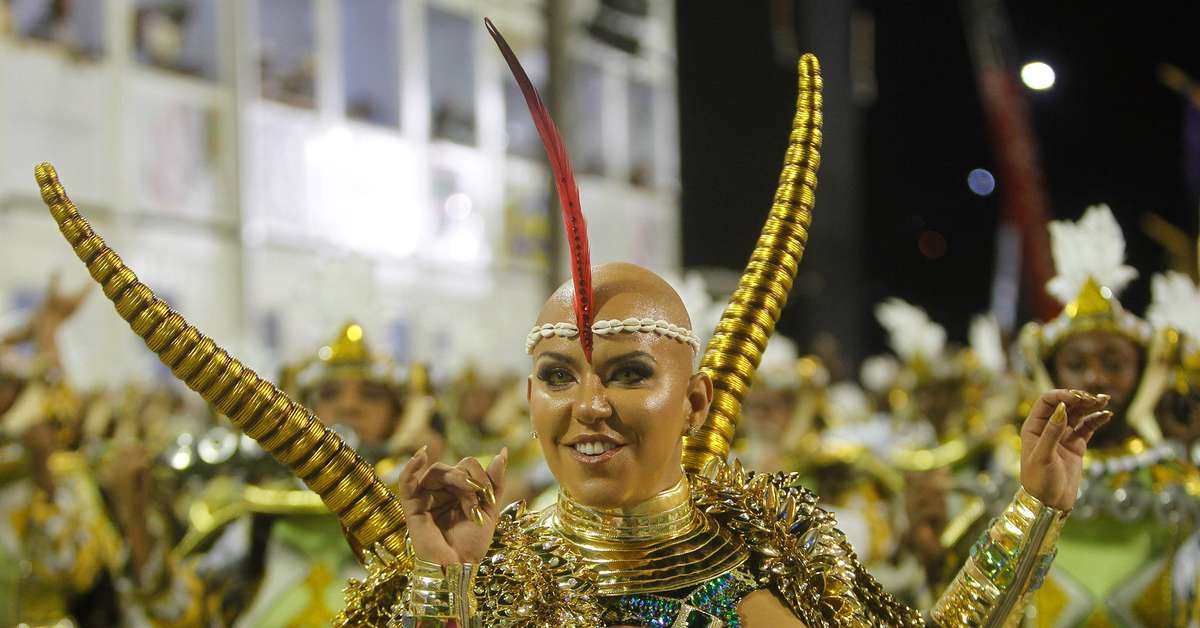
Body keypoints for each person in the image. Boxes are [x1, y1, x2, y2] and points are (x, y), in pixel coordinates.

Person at [31, 19, 1113, 627]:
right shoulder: (488, 562)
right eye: (558, 375)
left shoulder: (778, 549)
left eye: (627, 373)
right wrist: (449, 581)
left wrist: (1032, 512)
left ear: (695, 397)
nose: (587, 405)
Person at [1008, 205, 1200, 626]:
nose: (1095, 376)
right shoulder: (1018, 481)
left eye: (1114, 362)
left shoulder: (1184, 483)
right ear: (1051, 373)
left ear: (1144, 372)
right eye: (1077, 364)